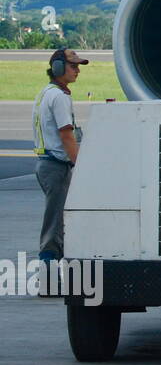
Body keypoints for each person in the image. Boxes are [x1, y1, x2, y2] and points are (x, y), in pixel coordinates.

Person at [32, 48, 89, 262]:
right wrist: (80, 164)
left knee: (57, 221)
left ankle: (53, 268)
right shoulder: (59, 97)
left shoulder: (47, 92)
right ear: (57, 67)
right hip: (56, 166)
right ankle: (48, 270)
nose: (77, 71)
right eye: (73, 66)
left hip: (47, 165)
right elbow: (66, 134)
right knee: (55, 223)